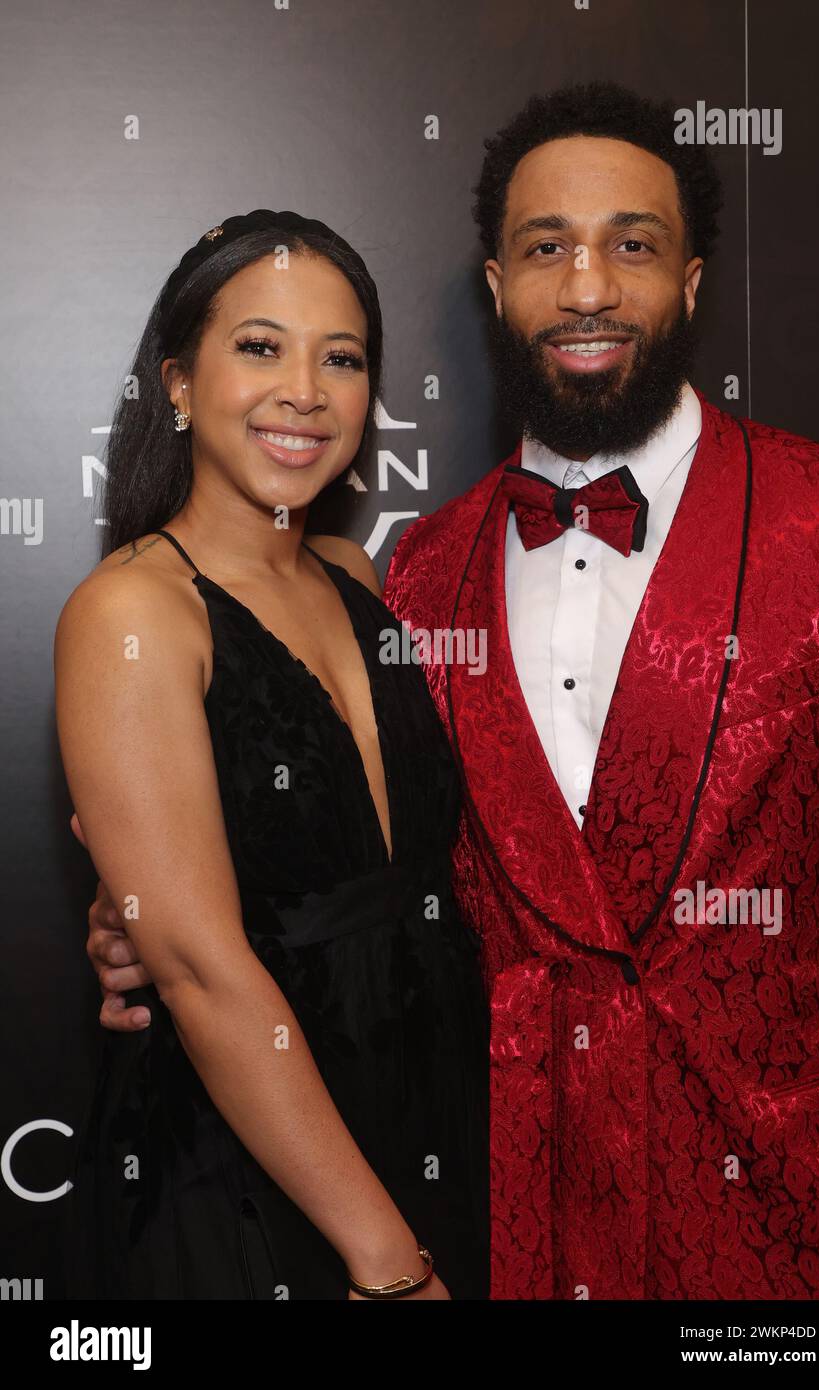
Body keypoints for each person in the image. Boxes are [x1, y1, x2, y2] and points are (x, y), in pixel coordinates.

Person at [84, 81, 819, 1303]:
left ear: (693, 282)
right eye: (546, 246)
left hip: (789, 1214)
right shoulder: (422, 568)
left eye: (632, 245)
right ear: (497, 287)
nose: (589, 286)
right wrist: (158, 913)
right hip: (506, 1208)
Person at [56, 209, 490, 1301]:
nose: (304, 389)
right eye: (259, 346)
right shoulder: (132, 612)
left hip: (420, 1107)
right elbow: (200, 968)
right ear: (179, 382)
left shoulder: (358, 573)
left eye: (339, 358)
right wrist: (384, 1261)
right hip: (244, 1164)